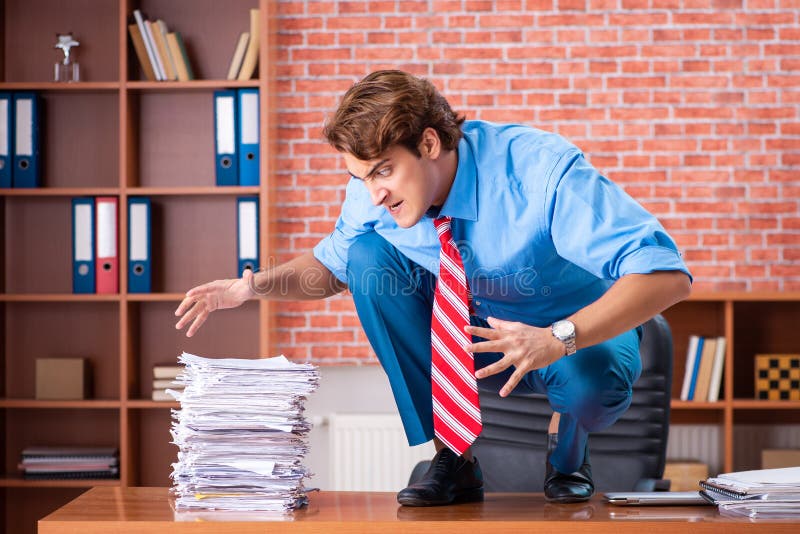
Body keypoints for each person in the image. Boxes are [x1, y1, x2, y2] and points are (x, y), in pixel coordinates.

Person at [175, 70, 692, 507]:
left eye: (383, 172)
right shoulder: (375, 196)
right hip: (477, 342)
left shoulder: (538, 173)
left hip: (574, 329)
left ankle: (568, 452)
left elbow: (666, 274)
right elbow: (332, 266)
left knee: (590, 383)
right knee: (366, 255)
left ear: (429, 142)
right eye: (361, 178)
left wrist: (558, 337)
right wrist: (251, 288)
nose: (374, 195)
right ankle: (456, 457)